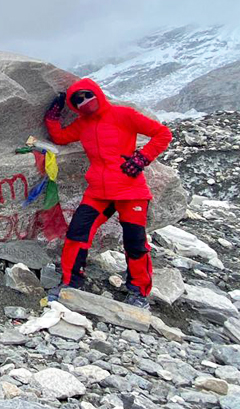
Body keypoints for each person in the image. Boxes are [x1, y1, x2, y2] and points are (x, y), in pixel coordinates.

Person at [44, 78, 172, 309]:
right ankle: (71, 283)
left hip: (130, 190)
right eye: (78, 100)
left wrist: (142, 158)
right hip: (98, 192)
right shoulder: (83, 124)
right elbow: (61, 138)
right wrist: (52, 120)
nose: (84, 101)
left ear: (97, 93)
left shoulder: (124, 115)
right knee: (77, 233)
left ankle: (138, 293)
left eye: (87, 95)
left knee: (135, 242)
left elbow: (162, 134)